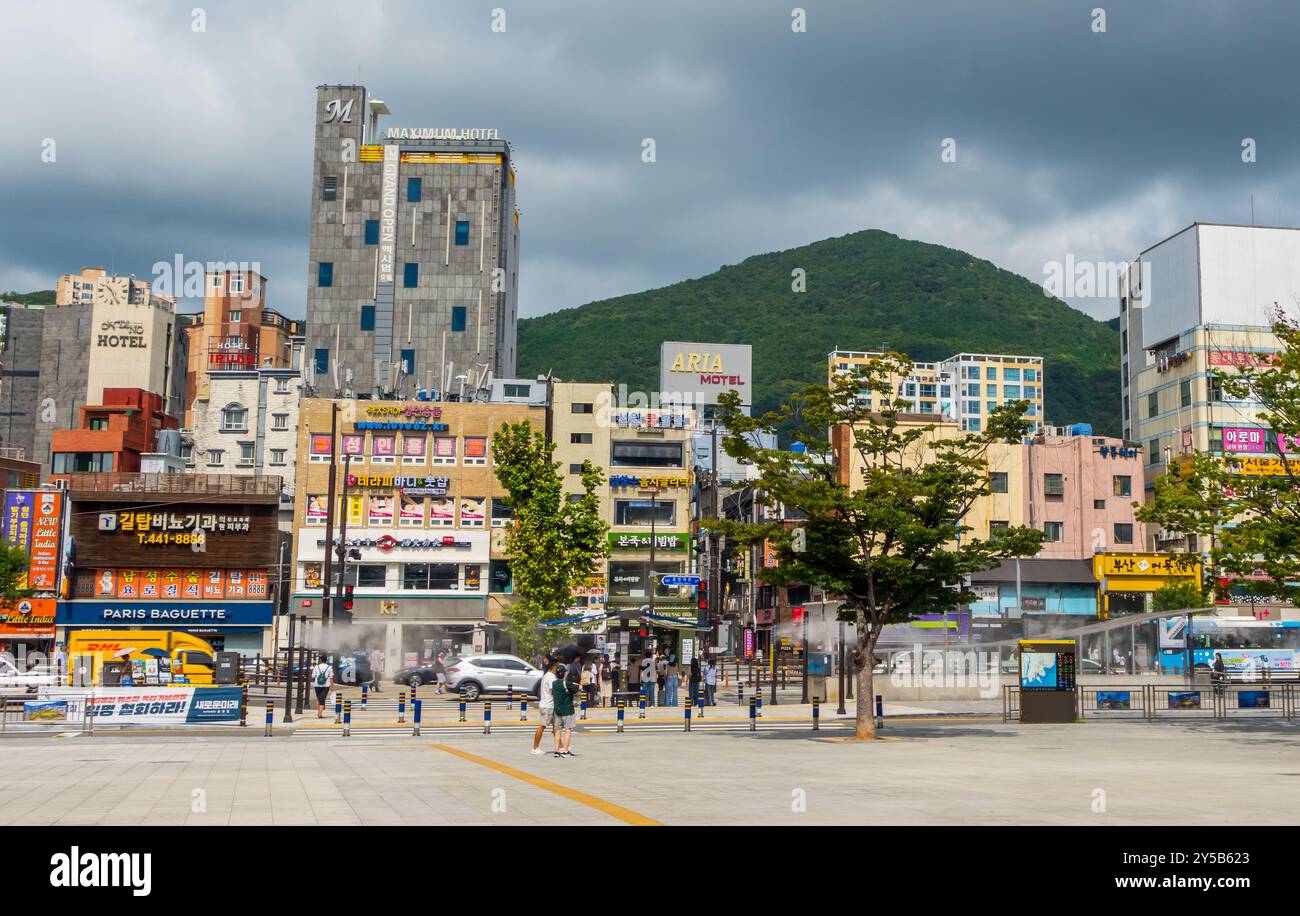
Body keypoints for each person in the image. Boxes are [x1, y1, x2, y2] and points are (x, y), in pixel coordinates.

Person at [551, 664, 579, 758]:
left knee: (558, 731)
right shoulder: (566, 683)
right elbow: (577, 688)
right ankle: (565, 751)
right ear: (564, 673)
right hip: (567, 710)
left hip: (557, 710)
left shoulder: (554, 683)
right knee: (567, 730)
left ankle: (557, 751)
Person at [531, 655, 556, 755]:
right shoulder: (550, 677)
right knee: (542, 726)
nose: (557, 668)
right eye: (556, 667)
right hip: (547, 705)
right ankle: (535, 748)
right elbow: (553, 690)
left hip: (549, 705)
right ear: (552, 667)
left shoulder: (547, 675)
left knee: (556, 726)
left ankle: (561, 745)